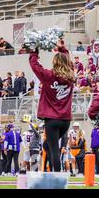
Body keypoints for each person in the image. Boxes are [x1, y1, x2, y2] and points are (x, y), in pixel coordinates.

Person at [29, 39, 75, 172]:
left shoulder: (48, 75)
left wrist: (34, 51)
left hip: (51, 119)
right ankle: (51, 173)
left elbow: (34, 65)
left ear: (55, 63)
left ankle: (57, 176)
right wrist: (63, 49)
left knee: (54, 148)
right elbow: (68, 62)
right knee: (47, 145)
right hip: (65, 120)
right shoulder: (70, 76)